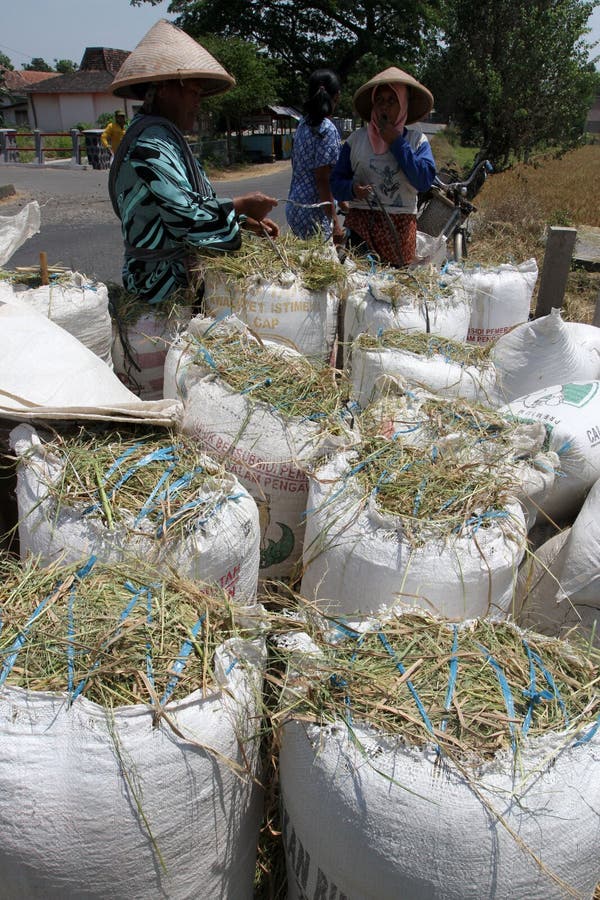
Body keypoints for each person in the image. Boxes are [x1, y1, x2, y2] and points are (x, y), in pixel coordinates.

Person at [108, 20, 279, 305]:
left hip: (179, 284)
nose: (198, 103)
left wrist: (245, 222)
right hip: (160, 289)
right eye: (193, 93)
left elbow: (192, 201)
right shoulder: (150, 143)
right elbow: (183, 217)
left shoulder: (165, 137)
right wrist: (243, 204)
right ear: (163, 89)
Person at [330, 67, 436, 267]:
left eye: (391, 101)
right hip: (361, 228)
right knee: (357, 286)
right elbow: (336, 182)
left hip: (399, 230)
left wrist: (397, 143)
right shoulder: (356, 141)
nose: (384, 108)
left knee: (392, 289)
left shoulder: (416, 141)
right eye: (379, 101)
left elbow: (424, 181)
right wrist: (352, 189)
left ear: (403, 105)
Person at [286, 69, 345, 245]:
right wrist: (335, 222)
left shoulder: (303, 123)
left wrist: (341, 202)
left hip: (295, 205)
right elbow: (322, 179)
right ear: (337, 96)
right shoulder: (326, 129)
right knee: (320, 263)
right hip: (314, 212)